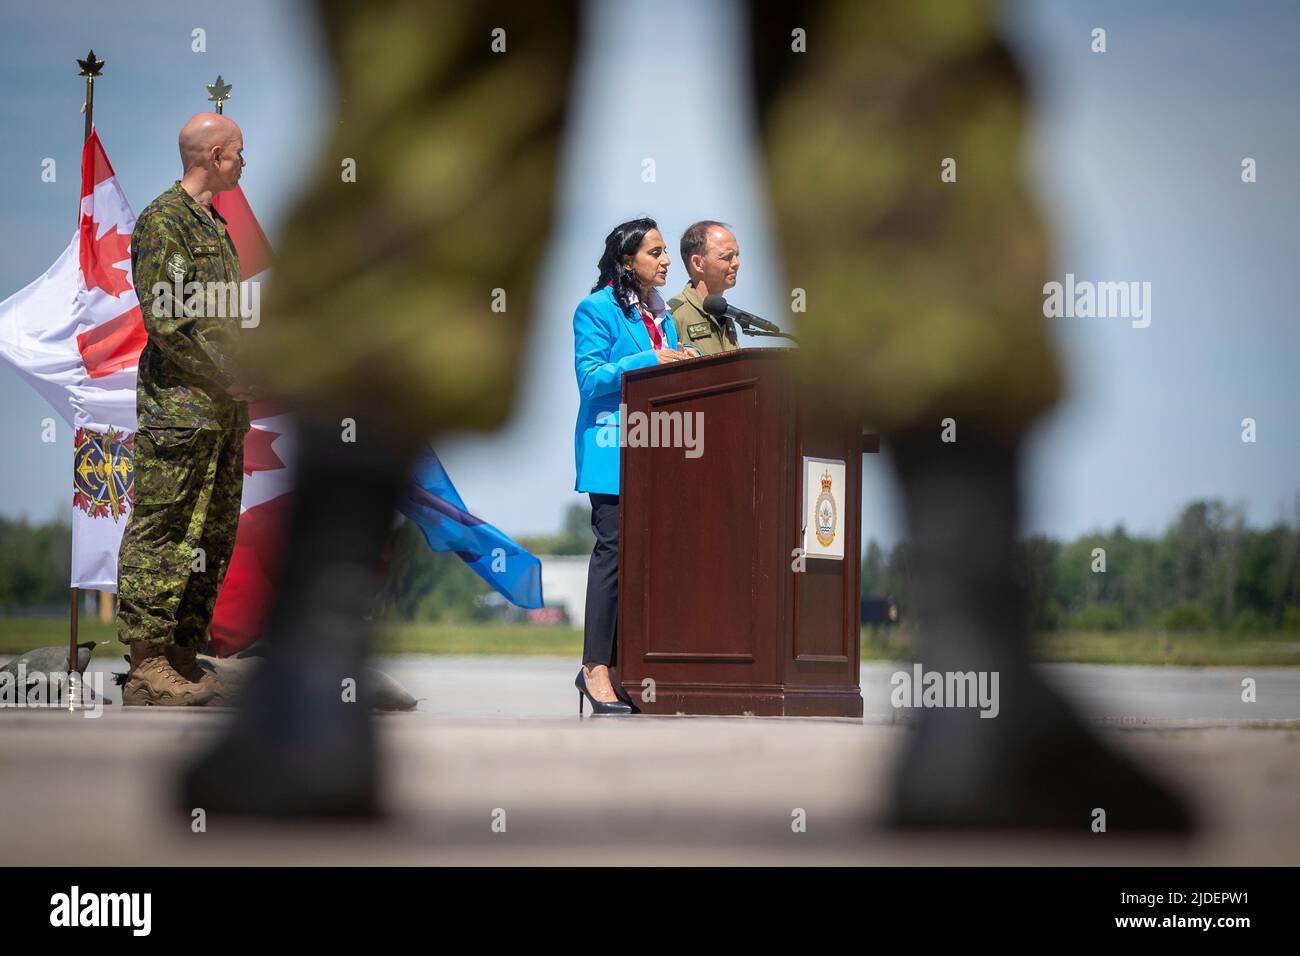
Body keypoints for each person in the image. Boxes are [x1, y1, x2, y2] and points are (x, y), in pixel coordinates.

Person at [183, 0, 1190, 832]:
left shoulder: (675, 314)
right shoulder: (609, 310)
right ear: (637, 257)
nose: (687, 265)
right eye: (670, 252)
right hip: (623, 452)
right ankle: (313, 665)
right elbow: (595, 377)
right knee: (884, 49)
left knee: (455, 47)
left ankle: (979, 675)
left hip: (678, 454)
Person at [117, 112, 248, 707]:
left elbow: (223, 320)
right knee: (165, 529)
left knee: (212, 533)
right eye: (239, 153)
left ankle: (180, 657)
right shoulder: (165, 222)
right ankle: (146, 664)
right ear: (214, 155)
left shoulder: (214, 225)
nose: (245, 163)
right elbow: (167, 323)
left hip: (221, 414)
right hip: (181, 411)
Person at [574, 219, 691, 714]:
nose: (667, 261)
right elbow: (590, 379)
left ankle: (633, 667)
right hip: (611, 451)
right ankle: (594, 669)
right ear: (627, 260)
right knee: (614, 554)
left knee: (652, 561)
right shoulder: (595, 309)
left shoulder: (663, 315)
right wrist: (651, 360)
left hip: (659, 450)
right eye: (657, 252)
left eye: (667, 252)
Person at [667, 220, 741, 355]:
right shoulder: (672, 315)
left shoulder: (726, 314)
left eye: (737, 255)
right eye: (727, 257)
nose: (736, 263)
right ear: (697, 263)